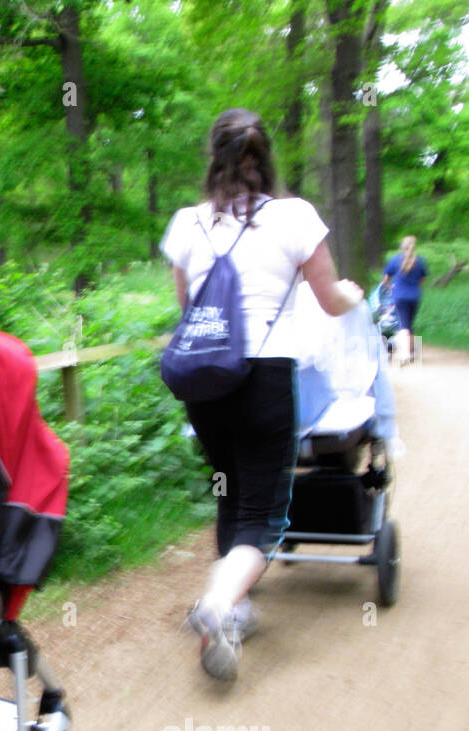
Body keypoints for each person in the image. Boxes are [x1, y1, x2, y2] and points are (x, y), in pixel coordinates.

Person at [160, 108, 365, 682]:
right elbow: (329, 300)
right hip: (266, 379)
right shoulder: (296, 217)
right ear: (266, 157)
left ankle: (236, 606)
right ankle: (219, 604)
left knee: (229, 491)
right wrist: (351, 292)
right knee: (263, 516)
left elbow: (189, 310)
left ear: (213, 158)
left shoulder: (187, 224)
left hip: (206, 381)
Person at [381, 236, 429, 366]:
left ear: (402, 247)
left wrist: (388, 286)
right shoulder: (420, 261)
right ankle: (412, 352)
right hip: (415, 296)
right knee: (409, 323)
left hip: (399, 296)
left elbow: (386, 278)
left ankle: (405, 354)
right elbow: (423, 278)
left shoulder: (395, 260)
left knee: (403, 325)